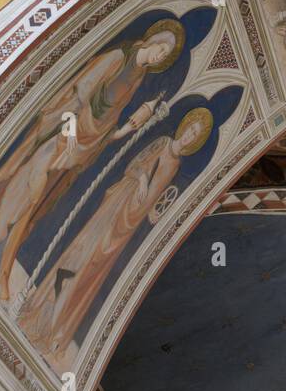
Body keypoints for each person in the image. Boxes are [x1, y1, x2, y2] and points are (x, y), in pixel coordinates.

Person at [0, 19, 183, 300]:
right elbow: (81, 90)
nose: (160, 56)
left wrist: (126, 130)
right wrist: (72, 126)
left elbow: (106, 121)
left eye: (164, 56)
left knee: (36, 205)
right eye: (161, 49)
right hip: (64, 133)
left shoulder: (137, 79)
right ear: (152, 41)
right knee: (27, 190)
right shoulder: (117, 57)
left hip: (81, 147)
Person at [18, 107, 215, 368]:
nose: (190, 136)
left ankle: (56, 327)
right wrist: (143, 178)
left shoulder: (176, 165)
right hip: (118, 206)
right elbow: (136, 164)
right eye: (191, 129)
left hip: (130, 225)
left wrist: (153, 215)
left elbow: (157, 197)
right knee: (80, 256)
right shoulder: (164, 143)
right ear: (184, 127)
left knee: (92, 273)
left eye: (196, 135)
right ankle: (41, 313)